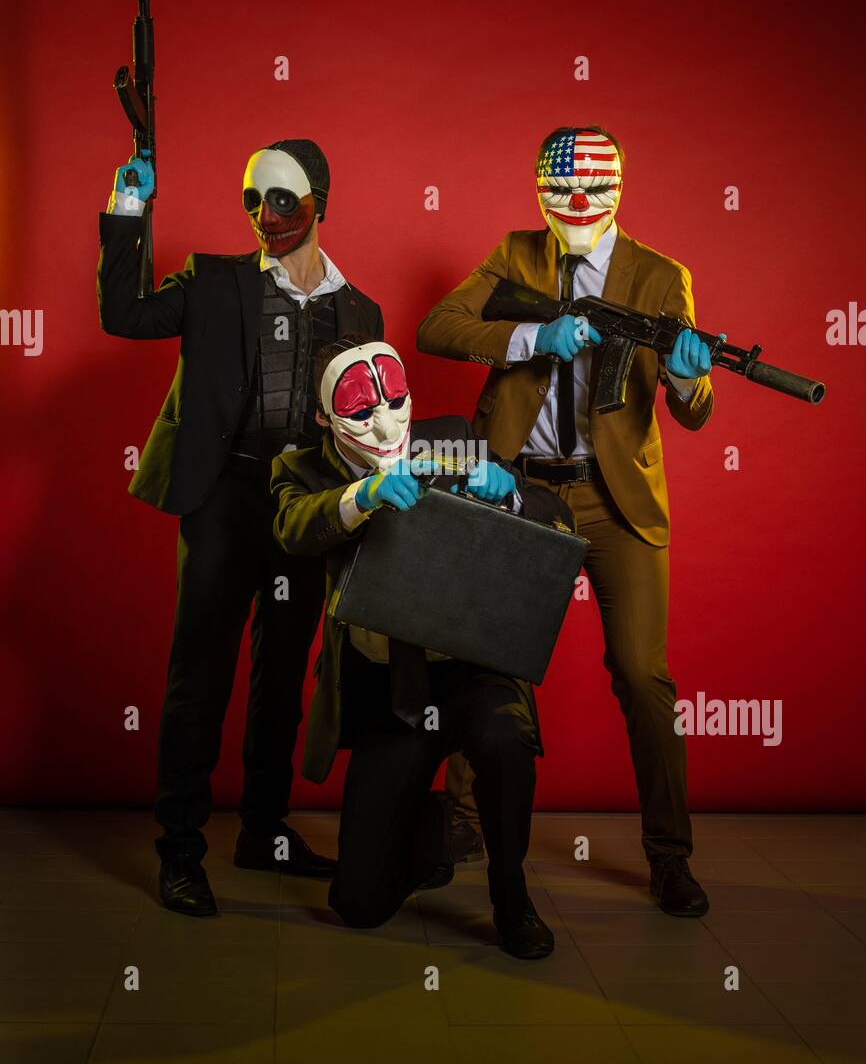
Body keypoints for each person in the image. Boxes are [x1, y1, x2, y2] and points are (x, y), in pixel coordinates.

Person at [417, 126, 715, 917]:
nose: (577, 202)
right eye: (561, 187)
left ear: (620, 187)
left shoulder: (661, 275)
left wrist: (689, 381)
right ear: (539, 190)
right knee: (484, 655)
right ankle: (460, 822)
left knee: (642, 674)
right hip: (517, 485)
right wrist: (532, 336)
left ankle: (670, 856)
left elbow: (694, 412)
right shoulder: (516, 256)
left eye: (593, 187)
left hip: (616, 501)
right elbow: (436, 328)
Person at [97, 140, 383, 916]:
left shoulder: (361, 312)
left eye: (283, 199)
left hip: (303, 509)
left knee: (282, 678)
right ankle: (180, 853)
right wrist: (130, 207)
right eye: (254, 200)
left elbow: (364, 423)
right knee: (201, 677)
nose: (266, 215)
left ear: (320, 199)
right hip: (223, 499)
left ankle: (264, 831)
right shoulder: (214, 280)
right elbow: (123, 315)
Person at [270, 337, 577, 957]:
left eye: (395, 400)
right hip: (389, 692)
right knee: (358, 905)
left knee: (505, 737)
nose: (386, 424)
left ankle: (511, 895)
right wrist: (362, 497)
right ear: (324, 417)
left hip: (467, 672)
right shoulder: (302, 468)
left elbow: (555, 518)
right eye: (360, 410)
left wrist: (511, 493)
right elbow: (293, 528)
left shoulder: (451, 439)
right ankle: (432, 828)